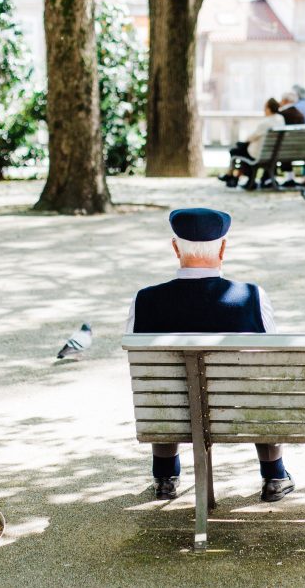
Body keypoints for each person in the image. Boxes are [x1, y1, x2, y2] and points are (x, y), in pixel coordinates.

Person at [126, 208, 294, 502]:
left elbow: (142, 363)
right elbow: (270, 356)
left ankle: (164, 476)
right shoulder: (252, 297)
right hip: (239, 411)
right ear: (224, 248)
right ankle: (274, 474)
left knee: (163, 387)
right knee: (262, 383)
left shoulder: (145, 300)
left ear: (176, 248)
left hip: (173, 412)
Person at [218, 98, 283, 191]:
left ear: (268, 109)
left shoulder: (265, 123)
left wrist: (246, 141)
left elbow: (251, 137)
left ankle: (231, 175)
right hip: (273, 154)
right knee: (240, 149)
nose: (264, 110)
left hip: (259, 154)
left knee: (236, 150)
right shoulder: (281, 119)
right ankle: (233, 177)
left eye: (265, 108)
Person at [275, 92, 305, 188]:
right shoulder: (300, 114)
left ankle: (268, 178)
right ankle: (290, 178)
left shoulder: (282, 115)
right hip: (300, 149)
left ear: (285, 101)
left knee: (277, 147)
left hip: (286, 149)